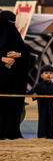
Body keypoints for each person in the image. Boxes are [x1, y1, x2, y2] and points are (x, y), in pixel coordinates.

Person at [0, 10, 29, 139]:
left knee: (13, 106)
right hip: (1, 82)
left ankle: (12, 131)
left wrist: (19, 55)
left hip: (15, 82)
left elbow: (29, 56)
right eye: (8, 23)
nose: (11, 26)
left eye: (13, 23)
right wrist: (2, 59)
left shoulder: (16, 38)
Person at [32, 65, 53, 139]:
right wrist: (34, 95)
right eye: (46, 73)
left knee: (51, 121)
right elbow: (34, 94)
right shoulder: (38, 85)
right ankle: (42, 135)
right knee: (42, 121)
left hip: (51, 107)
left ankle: (51, 135)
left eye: (51, 73)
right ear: (41, 75)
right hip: (42, 107)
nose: (48, 75)